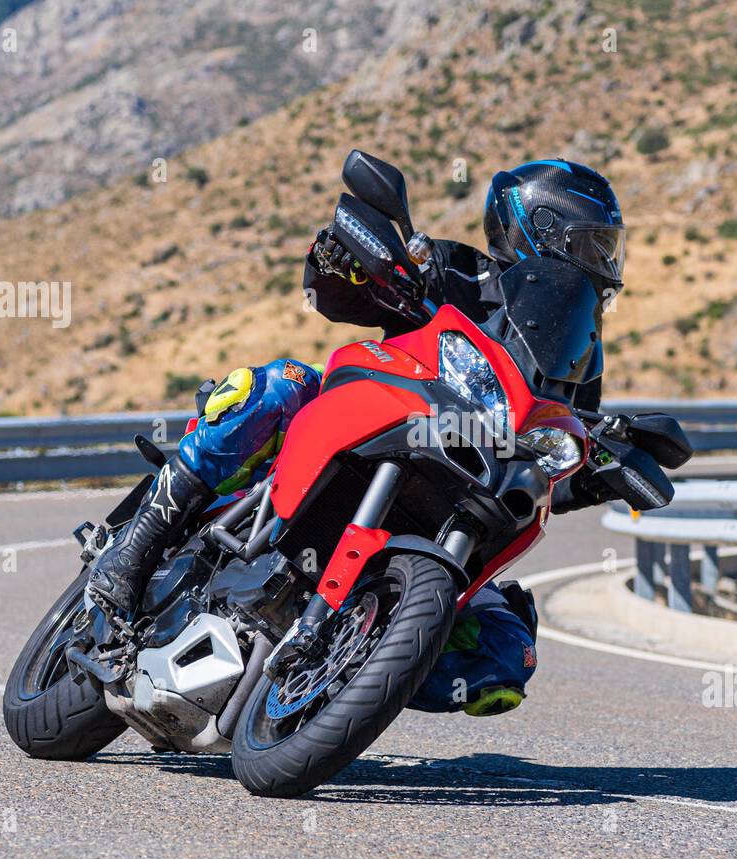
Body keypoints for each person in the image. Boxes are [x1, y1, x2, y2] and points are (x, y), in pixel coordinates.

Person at [87, 159, 627, 716]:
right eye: (593, 242)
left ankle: (354, 671)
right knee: (277, 385)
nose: (606, 260)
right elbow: (341, 293)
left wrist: (608, 464)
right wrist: (342, 262)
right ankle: (138, 544)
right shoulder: (456, 269)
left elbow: (559, 446)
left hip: (464, 486)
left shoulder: (580, 352)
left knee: (506, 650)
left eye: (609, 245)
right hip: (382, 412)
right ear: (537, 227)